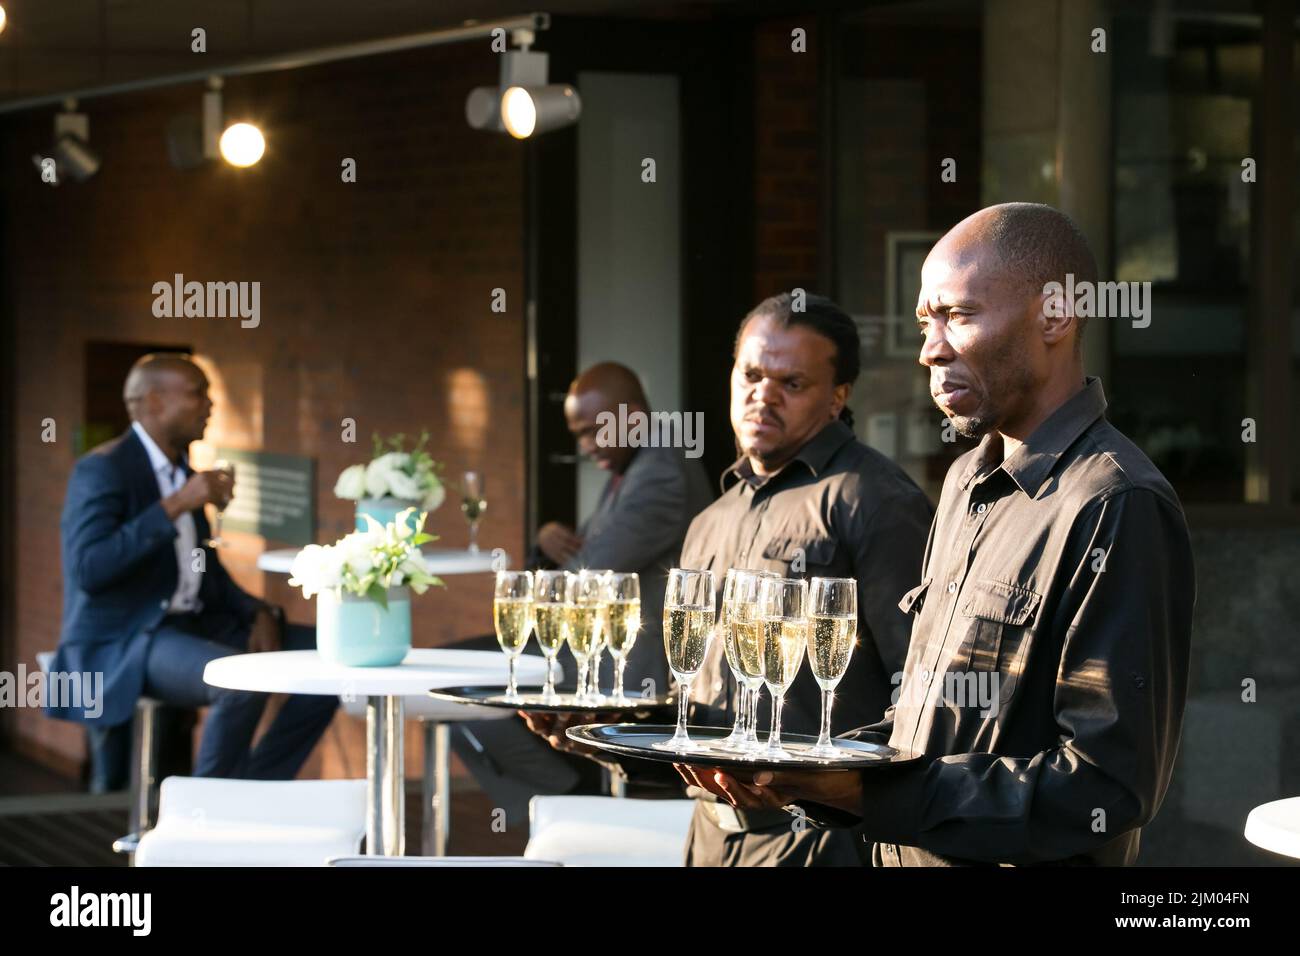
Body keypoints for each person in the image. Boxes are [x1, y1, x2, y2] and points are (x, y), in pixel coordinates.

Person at [685, 203, 1195, 867]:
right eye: (928, 320)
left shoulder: (1114, 503)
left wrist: (877, 797)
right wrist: (803, 774)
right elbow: (924, 720)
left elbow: (1107, 786)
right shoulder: (961, 484)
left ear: (1057, 316)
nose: (930, 348)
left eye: (958, 315)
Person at [528, 296, 933, 866]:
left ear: (838, 396)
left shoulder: (872, 499)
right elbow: (696, 706)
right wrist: (601, 729)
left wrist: (842, 789)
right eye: (751, 374)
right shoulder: (713, 519)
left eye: (792, 382)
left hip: (818, 842)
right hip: (710, 833)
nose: (763, 395)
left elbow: (922, 688)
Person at [46, 353, 338, 784]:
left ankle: (253, 791)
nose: (211, 404)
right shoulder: (103, 469)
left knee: (332, 658)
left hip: (196, 625)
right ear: (154, 401)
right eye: (198, 392)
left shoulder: (185, 472)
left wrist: (260, 611)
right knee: (237, 684)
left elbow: (208, 577)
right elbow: (90, 568)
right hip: (129, 639)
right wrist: (178, 504)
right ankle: (203, 814)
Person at [451, 362, 713, 823]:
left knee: (467, 695)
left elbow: (585, 577)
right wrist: (545, 545)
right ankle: (563, 796)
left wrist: (539, 574)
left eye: (594, 430)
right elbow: (586, 553)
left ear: (632, 416)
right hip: (589, 640)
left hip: (627, 656)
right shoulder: (638, 464)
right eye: (579, 434)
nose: (586, 446)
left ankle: (573, 792)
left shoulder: (661, 473)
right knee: (459, 682)